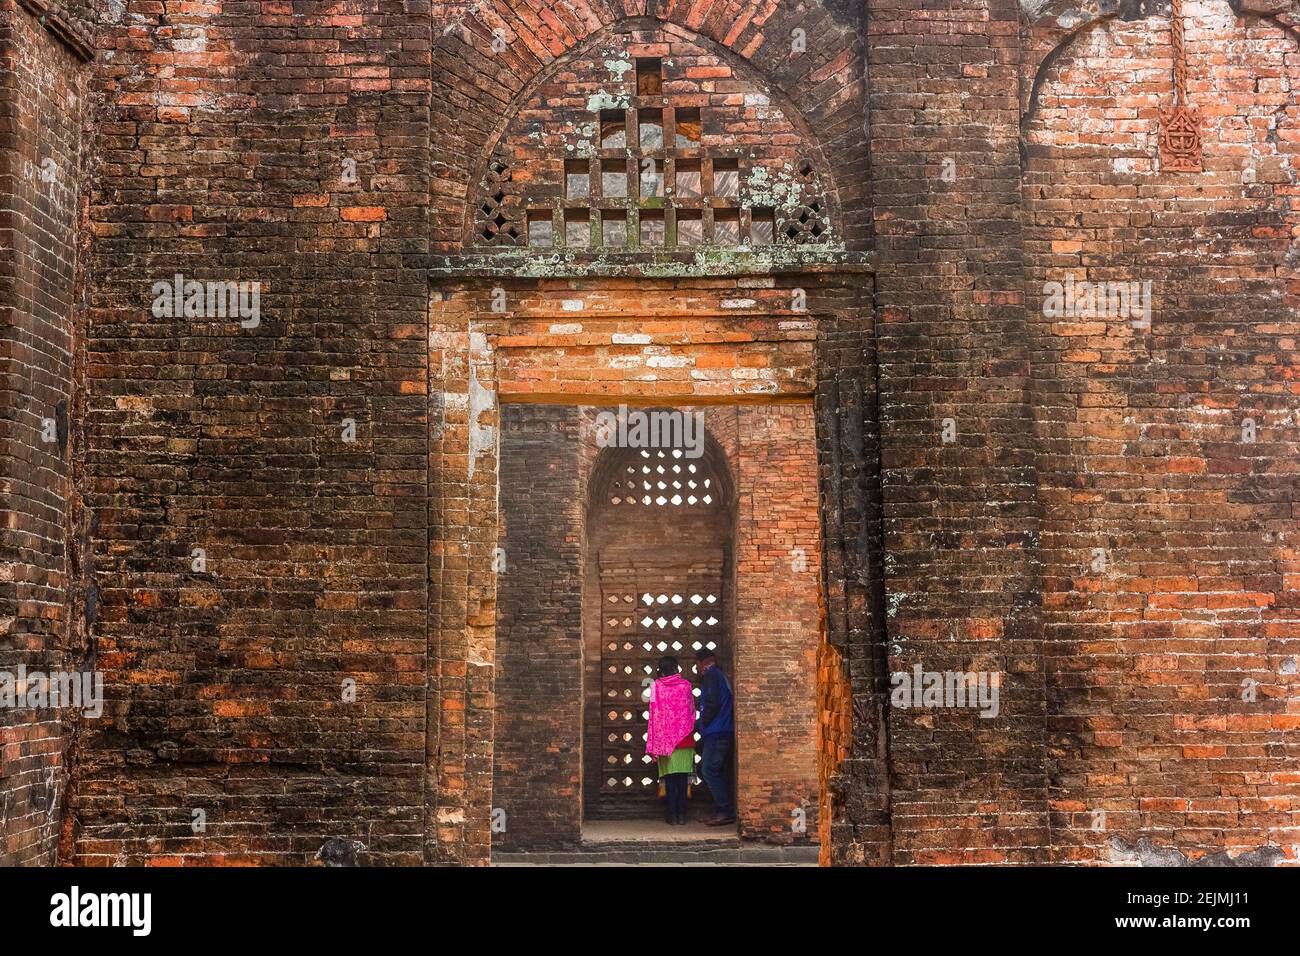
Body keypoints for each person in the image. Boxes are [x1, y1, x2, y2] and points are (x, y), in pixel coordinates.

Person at [642, 655, 695, 825]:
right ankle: (683, 816)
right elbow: (691, 712)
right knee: (682, 780)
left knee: (670, 781)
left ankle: (672, 816)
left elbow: (654, 716)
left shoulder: (656, 686)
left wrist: (653, 743)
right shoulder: (686, 686)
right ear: (676, 668)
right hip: (685, 741)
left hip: (665, 742)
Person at [694, 648, 735, 826]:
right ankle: (720, 809)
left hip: (717, 731)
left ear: (702, 662)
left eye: (696, 664)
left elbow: (712, 704)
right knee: (709, 769)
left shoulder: (711, 676)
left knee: (708, 770)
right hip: (720, 730)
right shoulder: (719, 675)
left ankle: (725, 810)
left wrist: (703, 723)